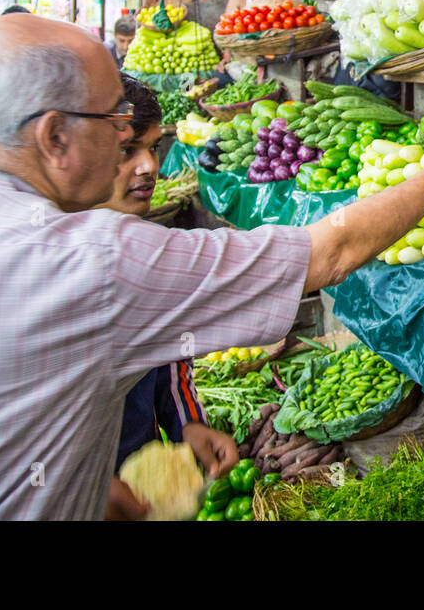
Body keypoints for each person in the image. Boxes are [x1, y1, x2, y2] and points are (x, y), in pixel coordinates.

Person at [0, 14, 424, 519]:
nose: (134, 154)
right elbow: (329, 253)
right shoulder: (90, 256)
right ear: (53, 136)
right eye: (113, 122)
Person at [103, 75, 238, 520]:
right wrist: (89, 481)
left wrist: (189, 425)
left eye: (154, 148)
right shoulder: (43, 262)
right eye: (128, 151)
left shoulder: (148, 248)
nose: (149, 166)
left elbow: (169, 351)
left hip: (139, 473)